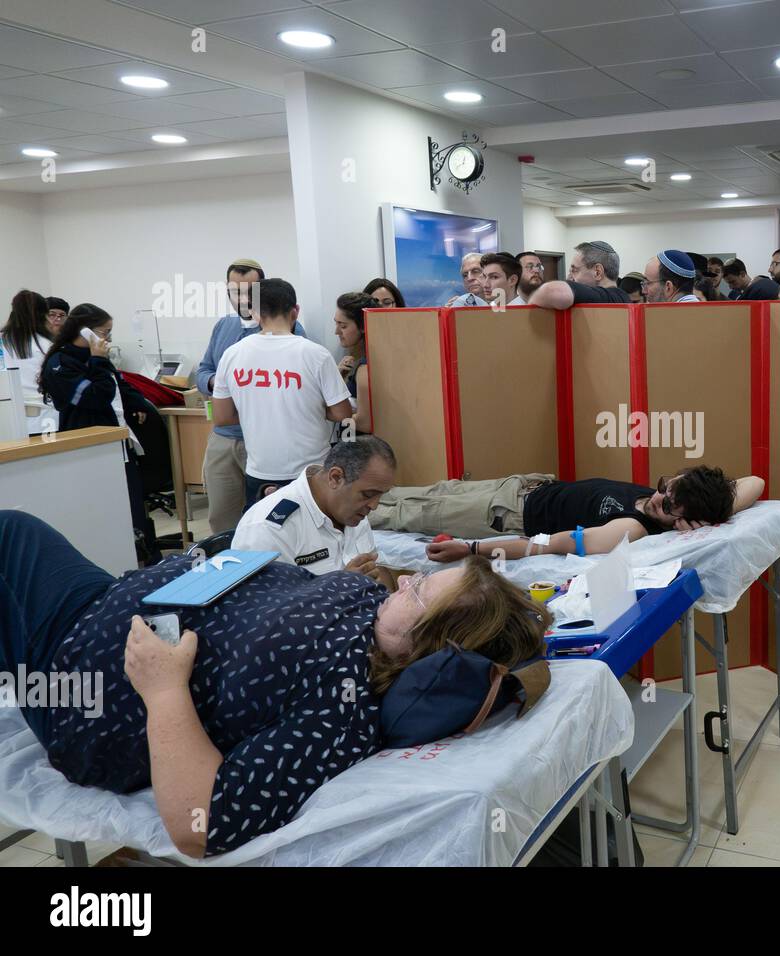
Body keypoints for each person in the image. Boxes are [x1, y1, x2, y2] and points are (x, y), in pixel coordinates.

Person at [0, 508, 548, 858]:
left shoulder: (341, 711)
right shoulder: (371, 604)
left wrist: (164, 691)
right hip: (113, 602)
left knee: (7, 538)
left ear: (431, 644)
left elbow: (203, 823)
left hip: (80, 676)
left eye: (421, 592)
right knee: (16, 528)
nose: (407, 579)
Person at [370, 466, 765, 561]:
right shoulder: (667, 496)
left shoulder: (633, 528)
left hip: (501, 515)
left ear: (686, 516)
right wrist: (715, 506)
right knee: (413, 493)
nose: (661, 497)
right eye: (667, 486)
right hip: (521, 485)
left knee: (393, 512)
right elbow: (755, 481)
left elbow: (547, 546)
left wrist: (471, 548)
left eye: (673, 505)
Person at [211, 278, 353, 509]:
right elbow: (342, 413)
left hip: (260, 471)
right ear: (295, 311)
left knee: (267, 539)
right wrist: (308, 408)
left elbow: (222, 417)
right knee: (315, 539)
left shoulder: (232, 355)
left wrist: (258, 411)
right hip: (312, 470)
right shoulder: (316, 354)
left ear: (255, 314)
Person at [39, 304, 159, 562]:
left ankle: (144, 556)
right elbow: (97, 396)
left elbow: (120, 387)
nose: (108, 339)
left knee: (132, 505)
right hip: (87, 447)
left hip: (117, 441)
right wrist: (98, 360)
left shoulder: (94, 358)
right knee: (103, 510)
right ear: (85, 331)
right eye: (105, 332)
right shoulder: (61, 363)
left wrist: (139, 405)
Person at [195, 259, 307, 534]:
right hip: (223, 437)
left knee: (269, 522)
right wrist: (216, 382)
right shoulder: (224, 326)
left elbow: (299, 383)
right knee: (221, 518)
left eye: (249, 291)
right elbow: (203, 371)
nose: (242, 298)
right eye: (235, 291)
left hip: (265, 440)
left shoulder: (290, 328)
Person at [234, 436, 398, 586]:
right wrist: (339, 588)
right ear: (335, 478)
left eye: (380, 495)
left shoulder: (354, 511)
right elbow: (268, 612)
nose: (374, 505)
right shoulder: (268, 529)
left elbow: (377, 573)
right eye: (368, 494)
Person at [2, 290, 56, 434]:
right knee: (50, 454)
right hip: (45, 416)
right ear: (43, 314)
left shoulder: (2, 342)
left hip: (8, 417)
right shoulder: (47, 345)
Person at [529, 241, 631, 307]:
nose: (569, 277)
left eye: (574, 271)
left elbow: (553, 291)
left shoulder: (611, 298)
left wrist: (528, 308)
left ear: (598, 272)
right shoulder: (620, 297)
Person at [333, 291, 376, 433]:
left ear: (363, 327)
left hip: (359, 448)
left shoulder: (364, 367)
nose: (337, 332)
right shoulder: (357, 362)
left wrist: (332, 413)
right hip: (352, 443)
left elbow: (365, 424)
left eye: (343, 326)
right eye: (336, 324)